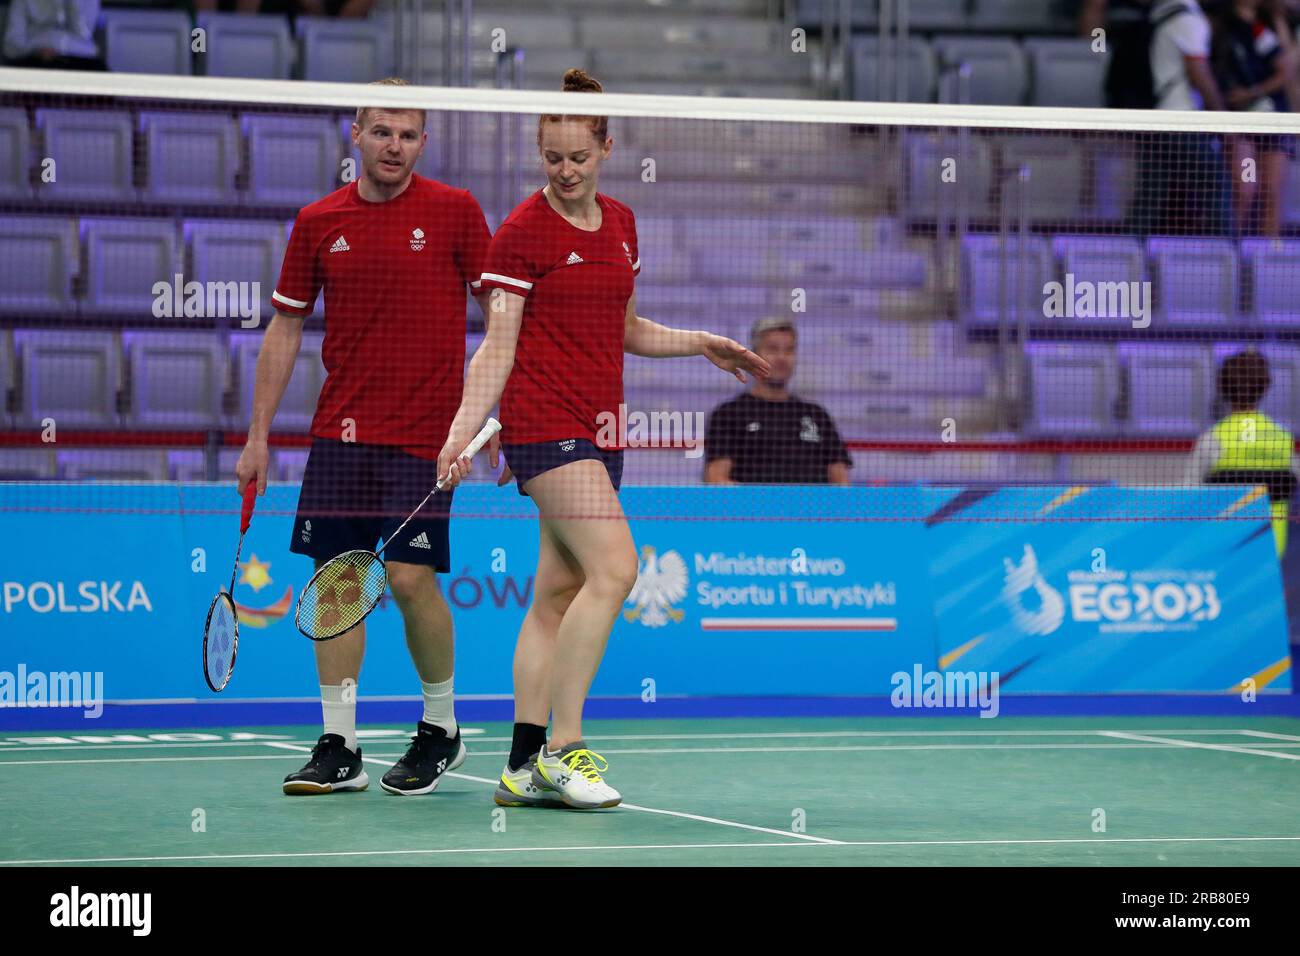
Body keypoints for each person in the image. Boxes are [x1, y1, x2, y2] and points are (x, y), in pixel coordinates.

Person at [435, 68, 770, 810]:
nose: (564, 171)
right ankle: (564, 748)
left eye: (578, 158)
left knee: (555, 596)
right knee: (616, 568)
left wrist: (700, 344)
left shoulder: (621, 223)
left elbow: (621, 327)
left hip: (599, 429)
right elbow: (496, 347)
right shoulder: (522, 233)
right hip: (545, 427)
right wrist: (462, 433)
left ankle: (522, 766)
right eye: (551, 157)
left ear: (606, 147)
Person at [235, 78, 492, 796]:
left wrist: (485, 417)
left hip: (426, 439)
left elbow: (503, 315)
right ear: (356, 134)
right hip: (342, 437)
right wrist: (258, 436)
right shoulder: (319, 221)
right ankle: (339, 745)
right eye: (382, 131)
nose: (395, 146)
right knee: (338, 587)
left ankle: (441, 728)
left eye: (408, 134)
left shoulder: (455, 212)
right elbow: (284, 328)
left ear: (424, 142)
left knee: (411, 580)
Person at [703, 318, 852, 486]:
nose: (782, 358)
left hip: (810, 511)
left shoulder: (817, 415)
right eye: (773, 349)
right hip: (752, 511)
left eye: (789, 350)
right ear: (753, 356)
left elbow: (842, 484)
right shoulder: (729, 415)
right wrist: (768, 504)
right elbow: (716, 480)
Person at [1130, 0, 1232, 236]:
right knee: (1215, 186)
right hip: (1182, 122)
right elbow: (1200, 74)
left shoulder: (1162, 16)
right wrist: (1226, 123)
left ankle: (1129, 250)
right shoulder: (1188, 20)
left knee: (1150, 195)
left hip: (1157, 122)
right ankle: (1226, 253)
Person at [1185, 349, 1297, 557]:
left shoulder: (1212, 439)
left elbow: (1188, 496)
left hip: (1224, 548)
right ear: (1265, 387)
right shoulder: (1283, 439)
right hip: (1273, 548)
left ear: (1223, 388)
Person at [1210, 0, 1296, 235]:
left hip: (1271, 124)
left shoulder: (1261, 30)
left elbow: (1286, 70)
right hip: (1240, 126)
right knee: (1246, 187)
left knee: (1271, 192)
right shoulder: (1217, 27)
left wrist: (1253, 92)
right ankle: (1232, 254)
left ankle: (1269, 262)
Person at [3, 0, 104, 70]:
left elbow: (84, 35)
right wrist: (36, 50)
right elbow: (10, 47)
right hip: (35, 60)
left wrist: (73, 3)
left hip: (80, 61)